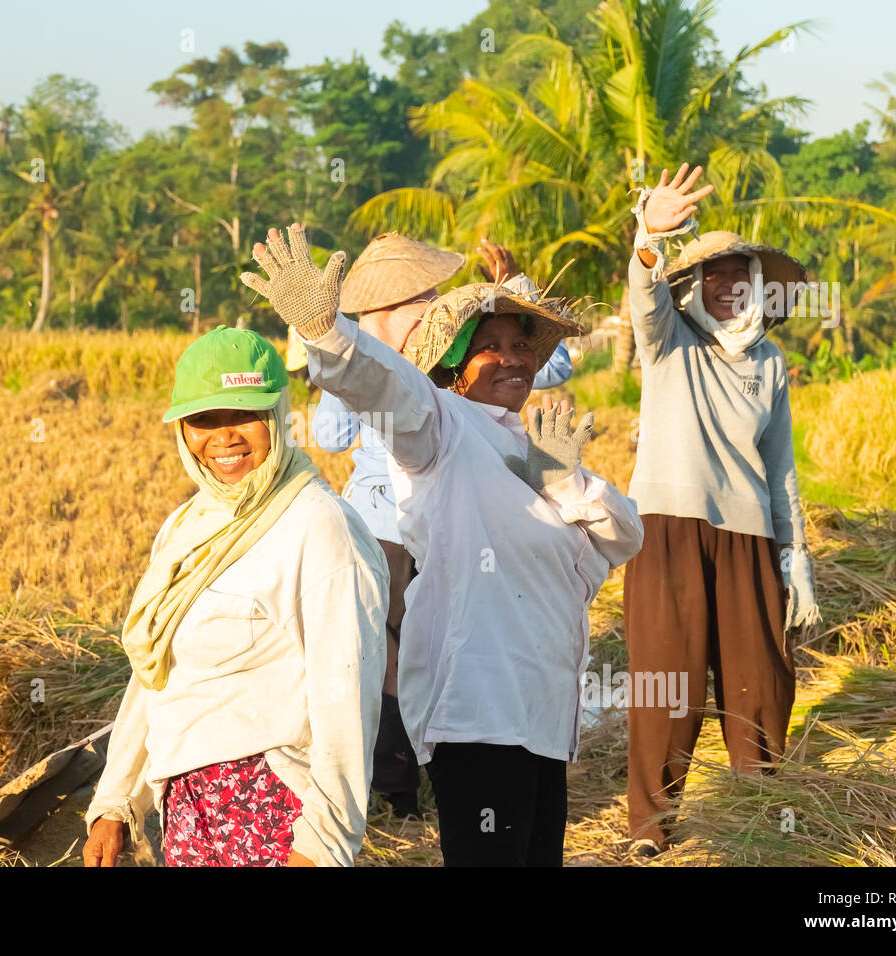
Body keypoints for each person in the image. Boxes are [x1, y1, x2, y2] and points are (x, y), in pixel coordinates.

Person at [241, 224, 642, 866]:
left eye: (519, 345)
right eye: (488, 347)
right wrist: (326, 333)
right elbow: (388, 390)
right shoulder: (442, 428)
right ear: (453, 369)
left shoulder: (533, 450)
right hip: (478, 714)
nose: (511, 358)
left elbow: (623, 537)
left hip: (542, 716)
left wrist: (564, 479)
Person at [82, 326, 389, 868]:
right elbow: (156, 674)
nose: (223, 438)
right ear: (182, 429)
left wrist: (321, 845)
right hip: (188, 815)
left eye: (242, 416)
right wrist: (118, 800)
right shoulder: (188, 525)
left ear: (276, 416)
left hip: (273, 817)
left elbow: (348, 702)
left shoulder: (320, 527)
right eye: (204, 420)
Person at [312, 233, 573, 817]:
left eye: (432, 292)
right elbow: (331, 435)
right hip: (384, 521)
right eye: (418, 297)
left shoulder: (449, 346)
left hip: (459, 520)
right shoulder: (361, 357)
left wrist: (516, 292)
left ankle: (443, 763)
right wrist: (367, 350)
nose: (433, 302)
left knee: (445, 641)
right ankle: (396, 784)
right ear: (382, 310)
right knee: (386, 648)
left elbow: (554, 365)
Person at [622, 164, 821, 856]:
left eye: (741, 275)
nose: (729, 287)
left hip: (747, 535)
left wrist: (794, 556)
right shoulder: (669, 340)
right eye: (714, 276)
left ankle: (759, 813)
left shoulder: (768, 362)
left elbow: (781, 467)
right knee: (666, 683)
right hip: (667, 532)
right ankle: (652, 827)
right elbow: (642, 294)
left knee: (761, 681)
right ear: (693, 287)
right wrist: (650, 231)